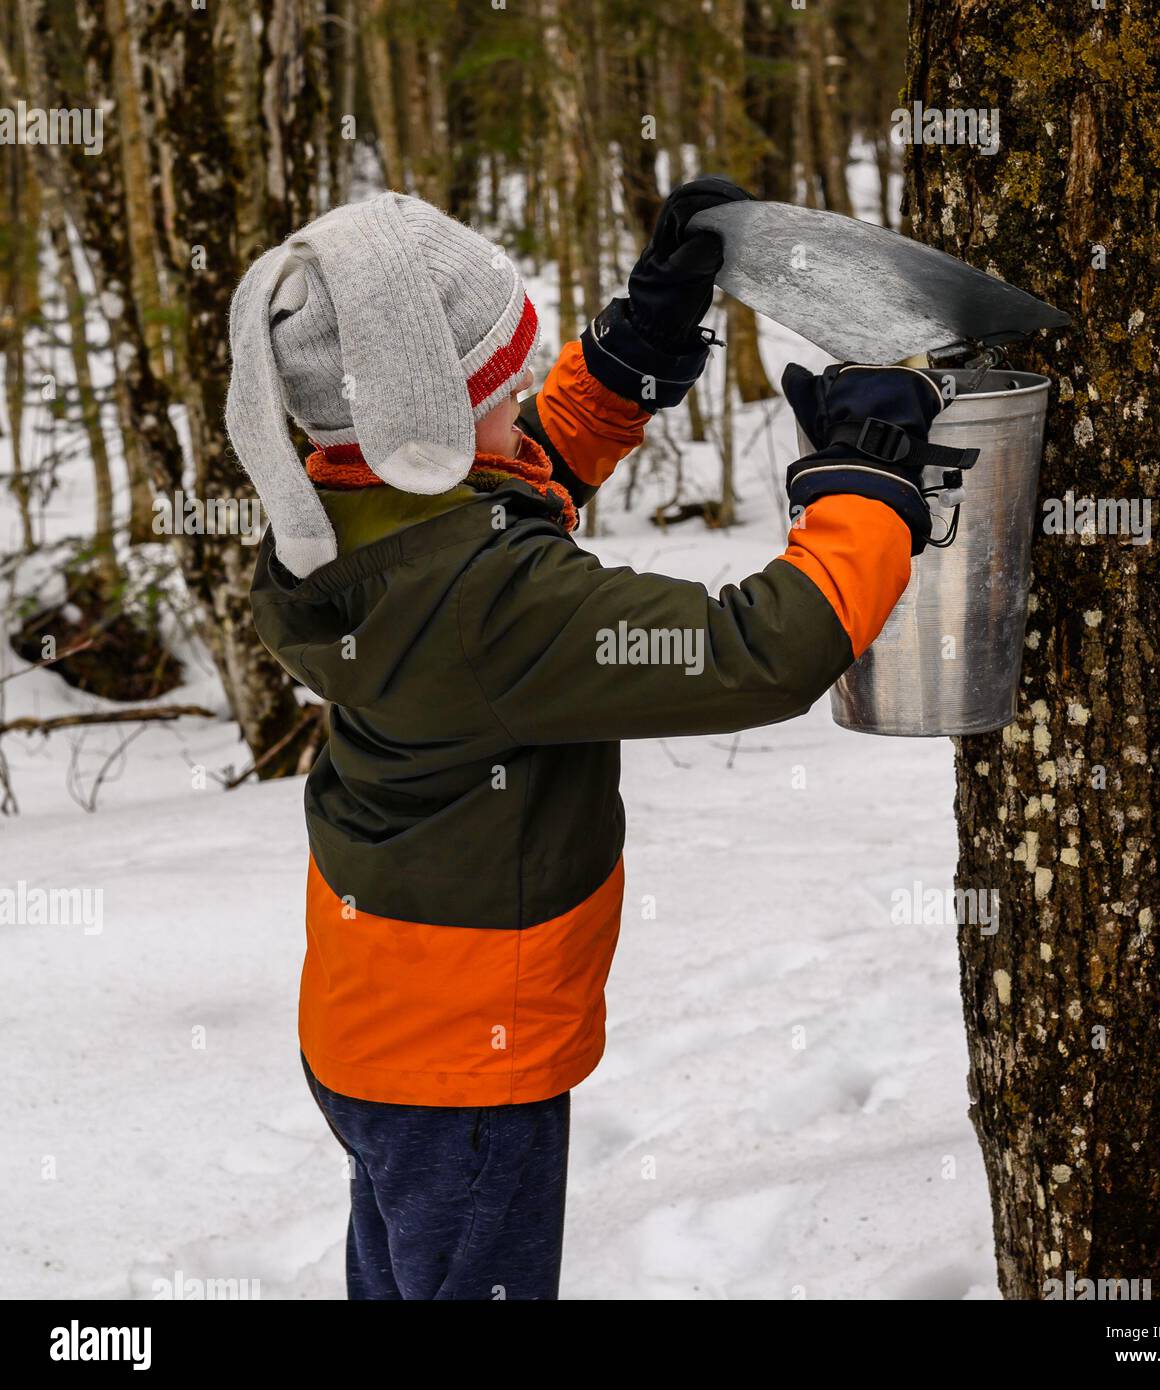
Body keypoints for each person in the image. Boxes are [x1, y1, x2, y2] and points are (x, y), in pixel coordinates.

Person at [228, 177, 951, 1300]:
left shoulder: (342, 517)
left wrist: (634, 348)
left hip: (378, 1035)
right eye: (504, 382)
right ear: (426, 408)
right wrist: (865, 488)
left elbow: (520, 478)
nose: (525, 396)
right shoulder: (488, 603)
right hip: (470, 1067)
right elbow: (756, 652)